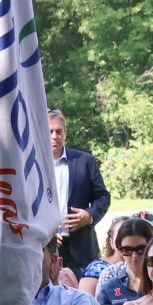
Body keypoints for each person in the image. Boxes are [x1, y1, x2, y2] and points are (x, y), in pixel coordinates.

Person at [47, 110, 111, 274]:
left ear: (65, 134)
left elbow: (103, 197)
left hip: (81, 249)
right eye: (50, 131)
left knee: (84, 296)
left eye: (59, 131)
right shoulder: (33, 166)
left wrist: (89, 216)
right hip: (46, 248)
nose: (55, 136)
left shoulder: (85, 162)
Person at [97, 216, 153, 305]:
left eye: (140, 249)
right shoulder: (109, 289)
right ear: (119, 249)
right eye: (127, 250)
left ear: (150, 247)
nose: (134, 256)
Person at [79, 218, 125, 298]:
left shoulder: (146, 266)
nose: (127, 240)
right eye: (121, 235)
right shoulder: (96, 269)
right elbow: (87, 304)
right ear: (111, 242)